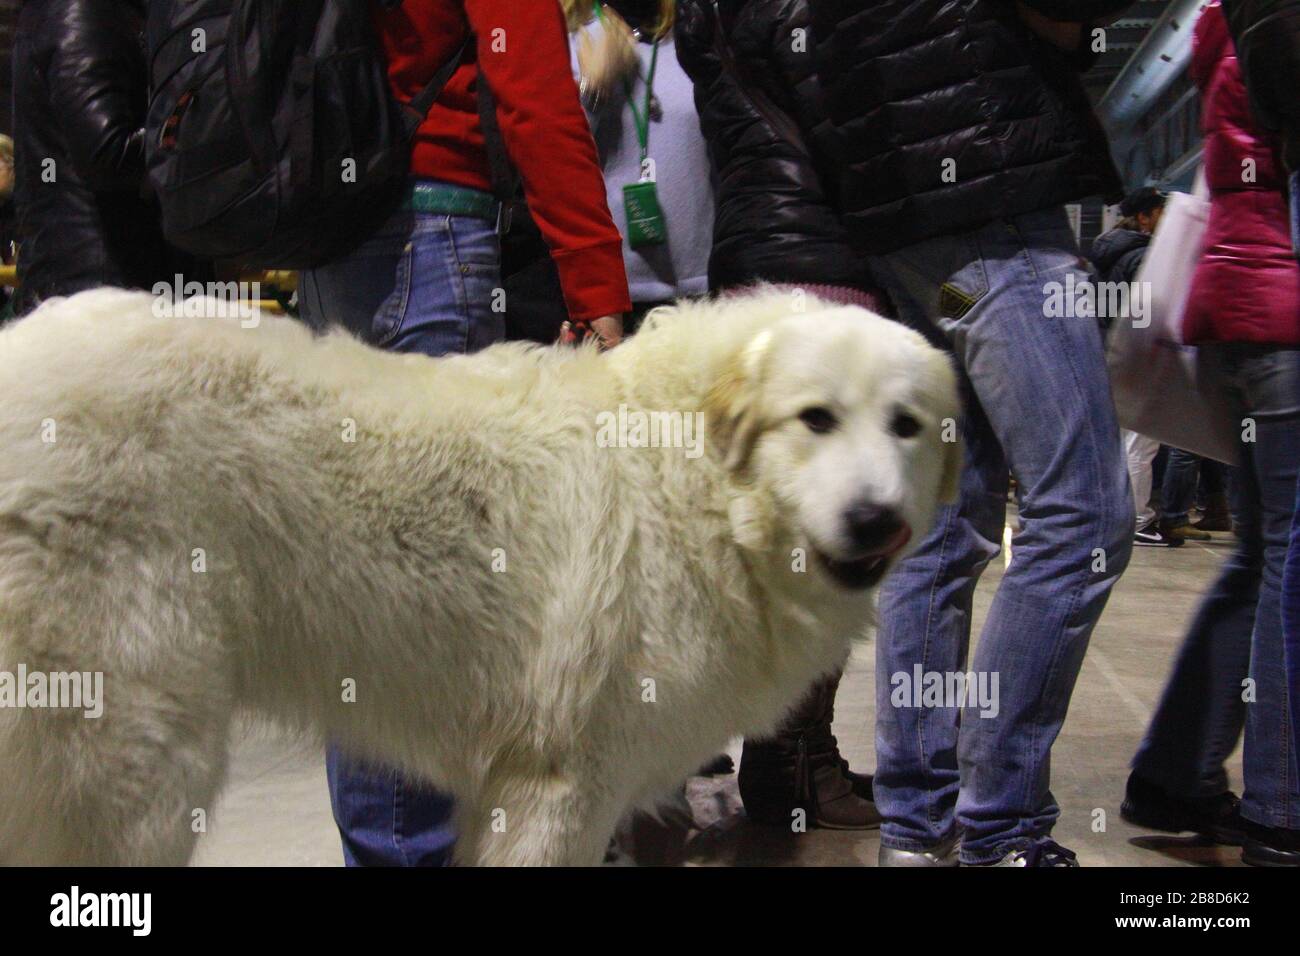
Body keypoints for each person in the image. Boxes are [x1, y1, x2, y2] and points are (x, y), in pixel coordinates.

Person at [299, 0, 631, 866]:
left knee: (368, 593)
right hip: (431, 232)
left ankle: (386, 852)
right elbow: (530, 86)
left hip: (330, 245)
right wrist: (596, 287)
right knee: (426, 597)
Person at [808, 0, 1137, 866]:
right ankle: (1003, 827)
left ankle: (917, 832)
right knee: (1086, 516)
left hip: (896, 213)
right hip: (989, 183)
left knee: (946, 530)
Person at [675, 0, 883, 829]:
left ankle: (784, 758)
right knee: (825, 546)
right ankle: (795, 764)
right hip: (822, 265)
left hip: (751, 269)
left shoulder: (702, 20)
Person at [1123, 1, 1300, 867]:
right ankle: (1281, 802)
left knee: (1264, 555)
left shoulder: (1225, 24)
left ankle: (1175, 774)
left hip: (1230, 306)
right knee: (1291, 554)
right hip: (1282, 310)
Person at [10, 0, 183, 315]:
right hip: (101, 293)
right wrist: (195, 128)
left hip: (96, 289)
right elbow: (107, 153)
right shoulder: (88, 13)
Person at [565, 0, 713, 328]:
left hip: (701, 293)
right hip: (607, 302)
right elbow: (552, 165)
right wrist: (592, 89)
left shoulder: (695, 35)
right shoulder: (572, 39)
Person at [1093, 188, 1187, 548]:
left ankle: (1115, 516)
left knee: (1118, 444)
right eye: (1162, 212)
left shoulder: (1104, 250)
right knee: (1140, 445)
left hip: (1108, 354)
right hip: (1138, 358)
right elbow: (1149, 314)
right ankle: (1138, 520)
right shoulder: (1144, 256)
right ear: (1144, 218)